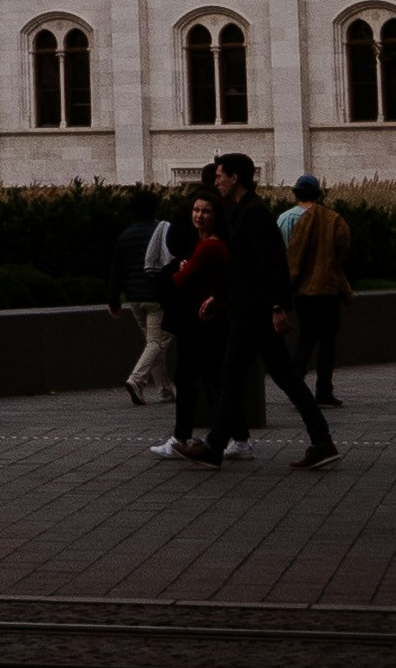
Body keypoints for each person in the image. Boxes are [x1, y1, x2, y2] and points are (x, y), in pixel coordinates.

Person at [194, 152, 336, 468]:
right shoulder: (243, 211)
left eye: (220, 175)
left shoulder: (254, 214)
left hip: (254, 314)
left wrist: (277, 307)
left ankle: (215, 447)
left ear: (236, 178)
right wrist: (219, 297)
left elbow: (271, 263)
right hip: (250, 311)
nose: (216, 181)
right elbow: (242, 267)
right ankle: (322, 441)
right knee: (281, 377)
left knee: (235, 376)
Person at [153, 188, 223, 458]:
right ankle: (236, 438)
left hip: (201, 321)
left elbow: (180, 281)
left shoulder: (208, 247)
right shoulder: (201, 244)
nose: (199, 216)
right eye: (196, 210)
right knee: (212, 378)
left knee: (192, 377)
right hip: (200, 319)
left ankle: (183, 438)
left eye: (205, 211)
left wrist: (184, 270)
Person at [283, 174, 353, 413]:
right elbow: (342, 252)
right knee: (327, 343)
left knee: (305, 339)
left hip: (303, 292)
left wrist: (285, 289)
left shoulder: (288, 219)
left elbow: (292, 256)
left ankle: (295, 388)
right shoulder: (334, 219)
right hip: (328, 290)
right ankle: (324, 391)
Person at [110, 200, 181, 408]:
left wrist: (114, 300)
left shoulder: (125, 235)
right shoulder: (161, 231)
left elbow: (116, 270)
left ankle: (165, 390)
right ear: (155, 210)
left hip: (134, 298)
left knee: (153, 343)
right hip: (157, 296)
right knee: (156, 343)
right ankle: (136, 379)